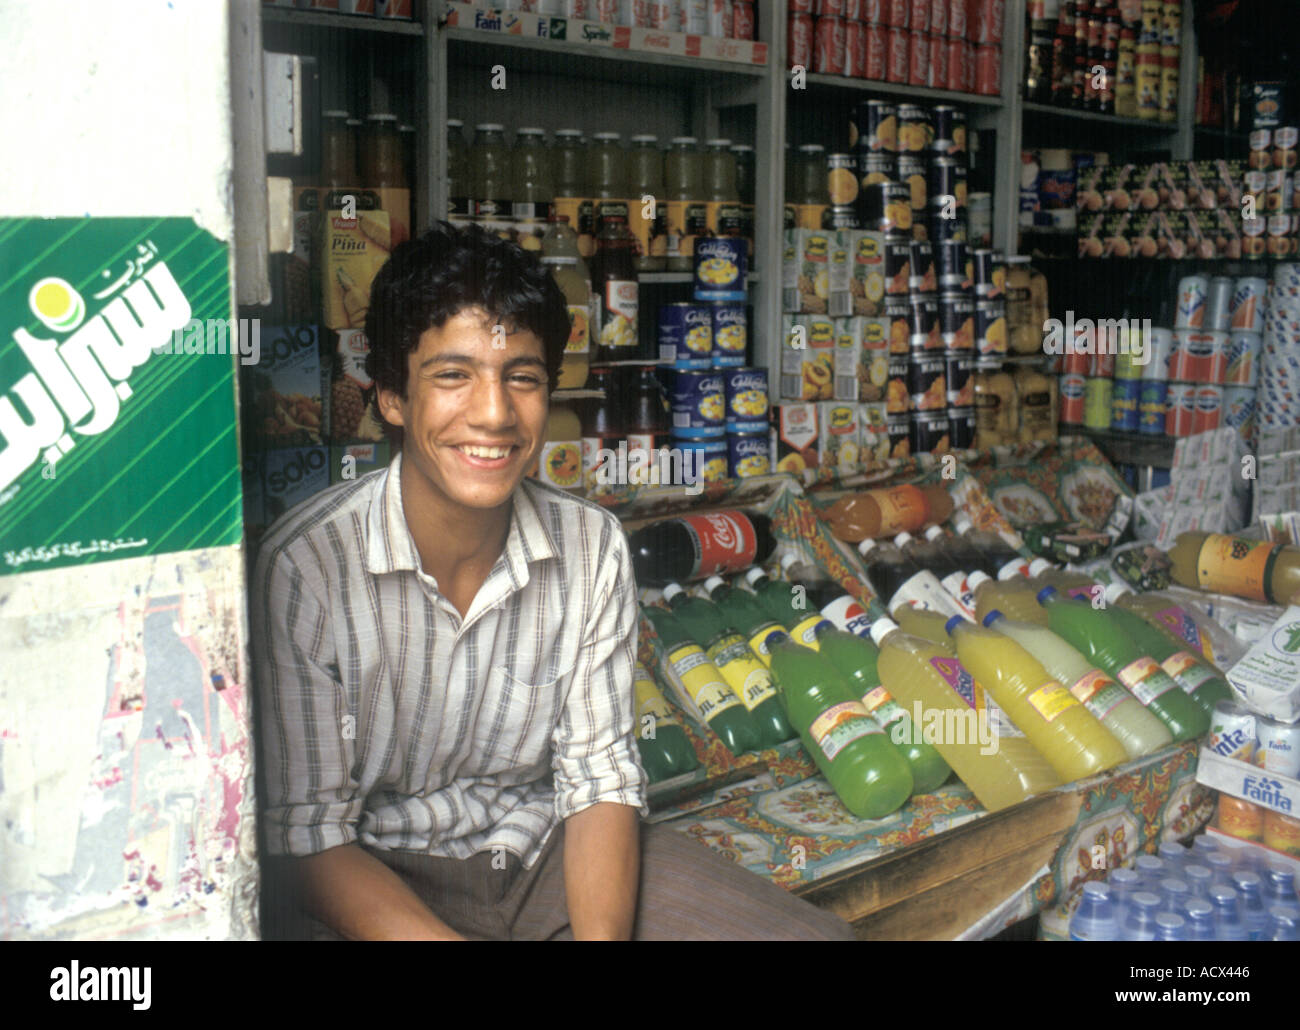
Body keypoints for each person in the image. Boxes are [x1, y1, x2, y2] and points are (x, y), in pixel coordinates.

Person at [251, 221, 853, 941]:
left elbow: (599, 781)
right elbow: (309, 837)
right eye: (453, 375)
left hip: (543, 854)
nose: (496, 413)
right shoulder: (306, 567)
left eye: (523, 378)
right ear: (390, 396)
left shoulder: (590, 544)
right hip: (379, 881)